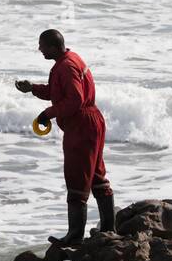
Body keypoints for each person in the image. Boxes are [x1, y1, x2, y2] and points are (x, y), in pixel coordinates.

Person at [15, 29, 114, 245]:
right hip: (92, 122)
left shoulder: (66, 67)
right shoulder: (71, 58)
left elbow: (74, 100)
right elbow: (59, 92)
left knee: (77, 178)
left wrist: (47, 114)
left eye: (42, 45)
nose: (39, 49)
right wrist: (33, 88)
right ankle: (108, 228)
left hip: (81, 125)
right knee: (96, 175)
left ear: (52, 46)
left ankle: (74, 236)